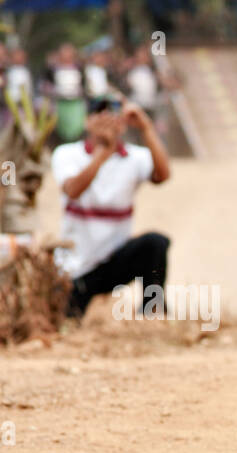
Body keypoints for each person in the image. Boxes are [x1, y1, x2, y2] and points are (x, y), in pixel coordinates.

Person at [50, 94, 172, 318]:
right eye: (100, 113)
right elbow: (73, 190)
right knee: (66, 321)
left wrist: (146, 128)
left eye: (114, 114)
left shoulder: (135, 157)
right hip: (75, 269)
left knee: (155, 244)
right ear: (88, 121)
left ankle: (152, 312)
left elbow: (163, 175)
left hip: (113, 261)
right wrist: (103, 154)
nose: (108, 120)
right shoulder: (66, 154)